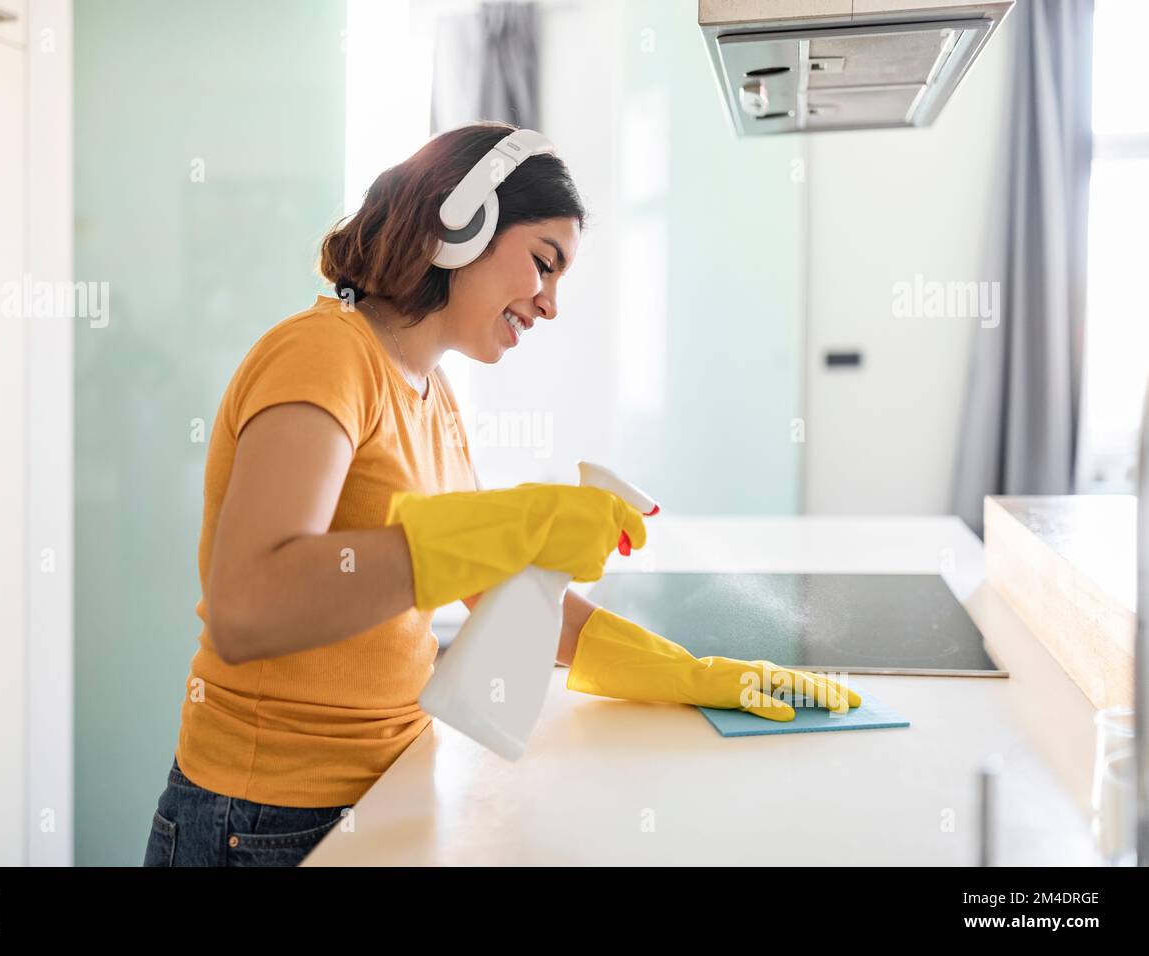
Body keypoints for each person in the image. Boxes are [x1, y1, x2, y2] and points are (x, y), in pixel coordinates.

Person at [143, 122, 859, 868]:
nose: (550, 304)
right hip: (260, 819)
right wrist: (515, 522)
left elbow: (499, 590)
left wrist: (687, 674)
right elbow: (248, 604)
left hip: (381, 789)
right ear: (459, 224)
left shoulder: (433, 395)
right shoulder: (323, 355)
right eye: (544, 264)